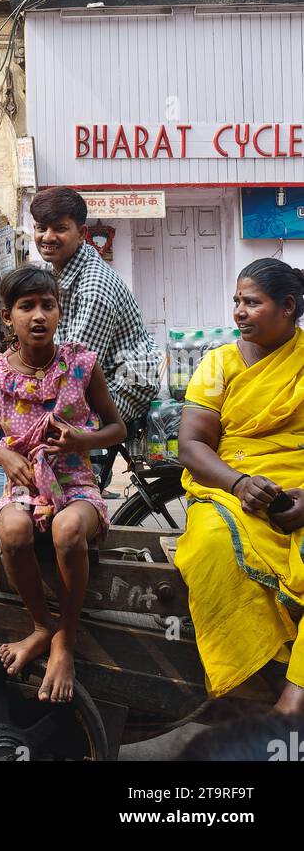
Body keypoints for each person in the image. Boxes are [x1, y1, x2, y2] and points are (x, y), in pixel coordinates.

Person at [0, 265, 125, 702]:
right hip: (23, 487)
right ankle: (41, 626)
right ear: (7, 318)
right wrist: (3, 455)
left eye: (47, 305)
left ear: (59, 312)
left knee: (67, 529)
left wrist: (82, 439)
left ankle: (65, 640)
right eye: (26, 306)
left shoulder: (81, 364)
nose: (38, 315)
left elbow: (117, 429)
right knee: (13, 531)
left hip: (76, 484)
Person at [0, 186, 161, 499]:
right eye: (40, 228)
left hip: (121, 386)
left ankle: (19, 507)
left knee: (16, 431)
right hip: (89, 376)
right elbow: (33, 344)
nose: (48, 237)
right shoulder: (57, 272)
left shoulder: (93, 288)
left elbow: (64, 366)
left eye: (60, 228)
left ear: (81, 232)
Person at [176, 258, 304, 715]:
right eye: (237, 301)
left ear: (287, 307)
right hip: (230, 492)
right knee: (211, 544)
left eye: (253, 302)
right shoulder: (218, 364)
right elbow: (190, 446)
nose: (239, 312)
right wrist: (240, 482)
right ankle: (250, 679)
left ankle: (294, 695)